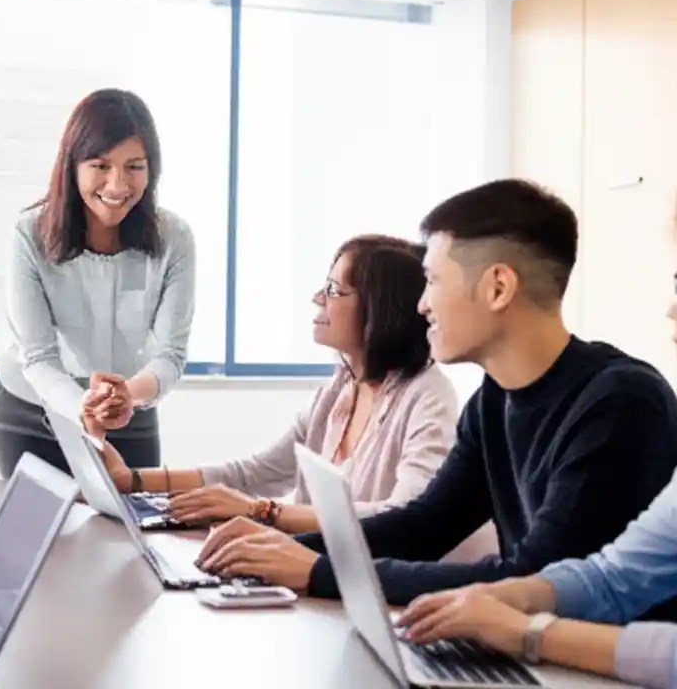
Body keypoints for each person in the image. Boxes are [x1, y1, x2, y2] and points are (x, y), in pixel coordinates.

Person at [196, 179, 677, 620]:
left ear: (498, 286)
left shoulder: (620, 403)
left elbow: (534, 578)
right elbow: (423, 526)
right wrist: (277, 546)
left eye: (432, 280)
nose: (420, 304)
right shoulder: (493, 401)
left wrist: (320, 570)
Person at [394, 172, 677, 688]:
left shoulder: (621, 397)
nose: (672, 307)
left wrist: (530, 632)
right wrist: (506, 597)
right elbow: (613, 575)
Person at [97, 235, 494, 557]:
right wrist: (131, 479)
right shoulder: (341, 386)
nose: (318, 299)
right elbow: (257, 473)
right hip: (329, 572)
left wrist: (262, 512)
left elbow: (402, 515)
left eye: (335, 290)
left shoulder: (428, 395)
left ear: (381, 308)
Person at [0, 88, 196, 478]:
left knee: (132, 529)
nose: (117, 185)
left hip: (126, 407)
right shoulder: (28, 234)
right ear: (73, 166)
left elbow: (170, 354)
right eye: (100, 165)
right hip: (30, 409)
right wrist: (85, 404)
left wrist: (123, 399)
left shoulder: (175, 239)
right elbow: (38, 356)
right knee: (38, 532)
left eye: (134, 166)